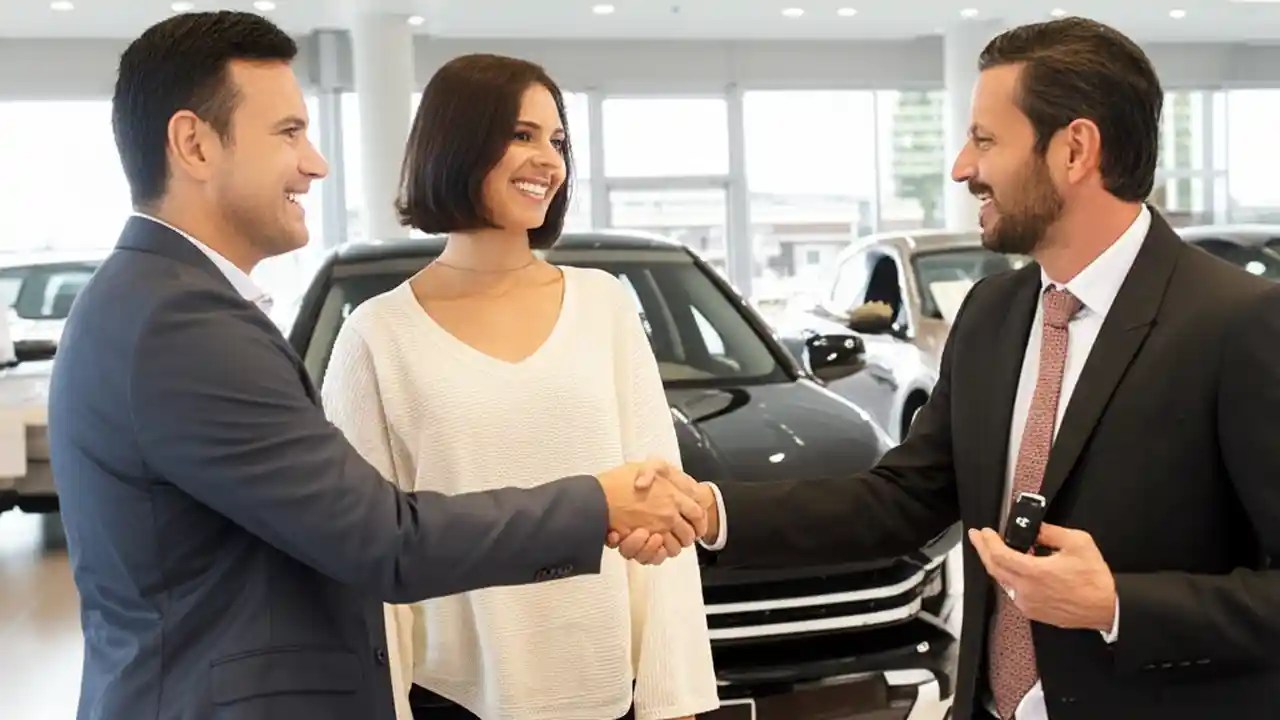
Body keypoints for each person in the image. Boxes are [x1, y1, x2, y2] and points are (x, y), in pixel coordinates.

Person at [616, 16, 1280, 720]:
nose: (963, 167)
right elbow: (903, 500)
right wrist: (709, 510)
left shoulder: (1239, 323)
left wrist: (1119, 605)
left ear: (1076, 150)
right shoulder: (993, 314)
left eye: (985, 140)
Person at [47, 13, 706, 720]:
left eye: (557, 140)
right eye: (288, 133)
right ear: (193, 144)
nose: (316, 163)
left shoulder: (164, 303)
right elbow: (382, 540)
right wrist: (600, 503)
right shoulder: (183, 324)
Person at [321, 53, 720, 720]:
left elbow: (660, 515)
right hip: (452, 701)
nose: (549, 160)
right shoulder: (377, 335)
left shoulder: (605, 307)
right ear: (456, 141)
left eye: (557, 140)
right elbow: (364, 561)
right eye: (520, 135)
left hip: (604, 697)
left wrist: (673, 701)